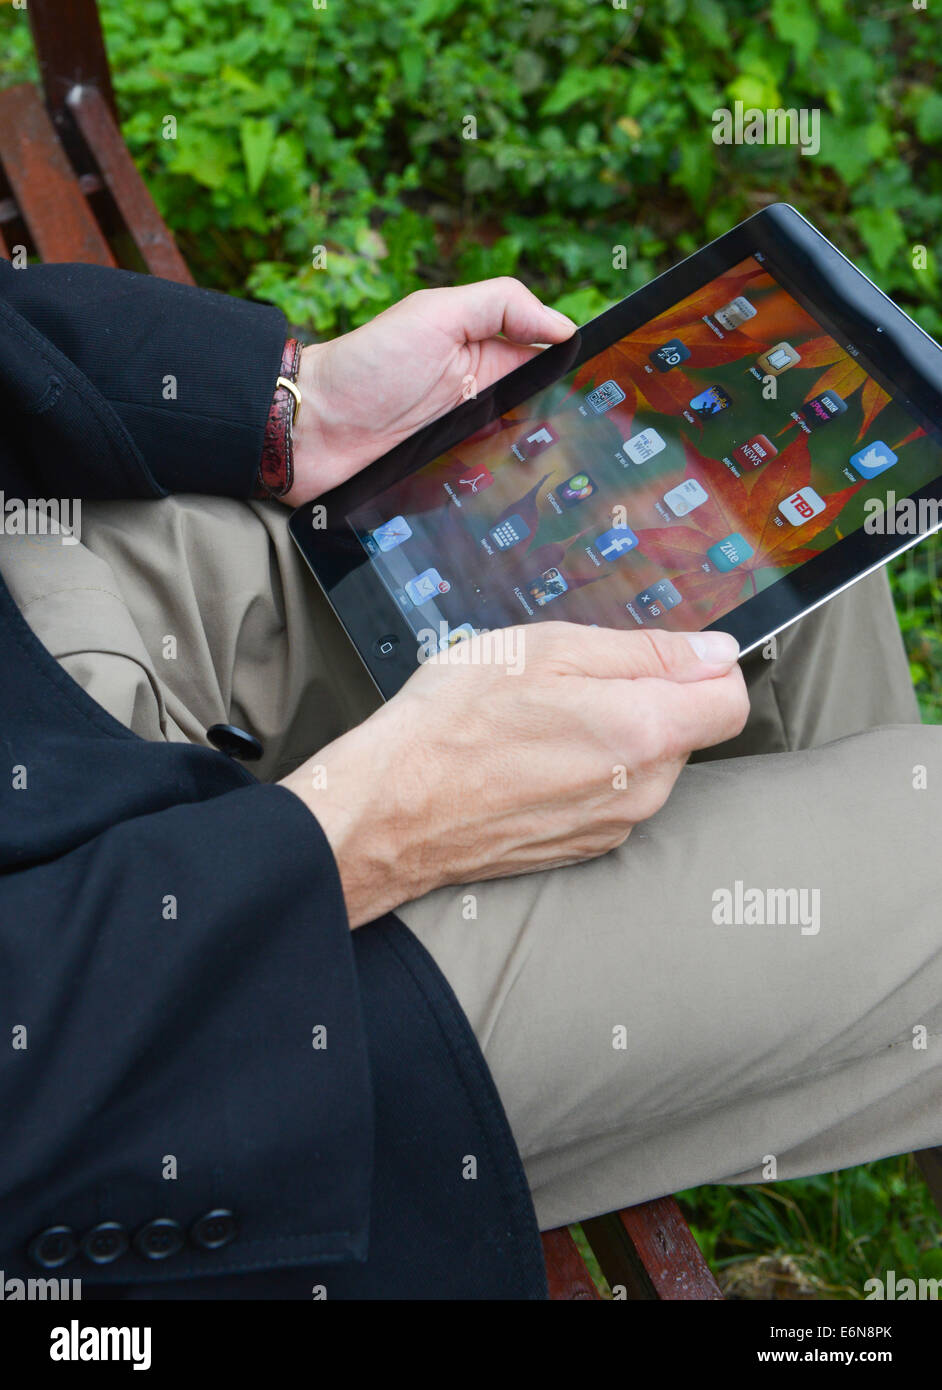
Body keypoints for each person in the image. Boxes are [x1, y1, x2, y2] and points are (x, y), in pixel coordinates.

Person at [0, 262, 937, 1300]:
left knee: (763, 549)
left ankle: (823, 1032)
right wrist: (377, 826)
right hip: (151, 996)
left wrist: (286, 404)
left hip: (56, 578)